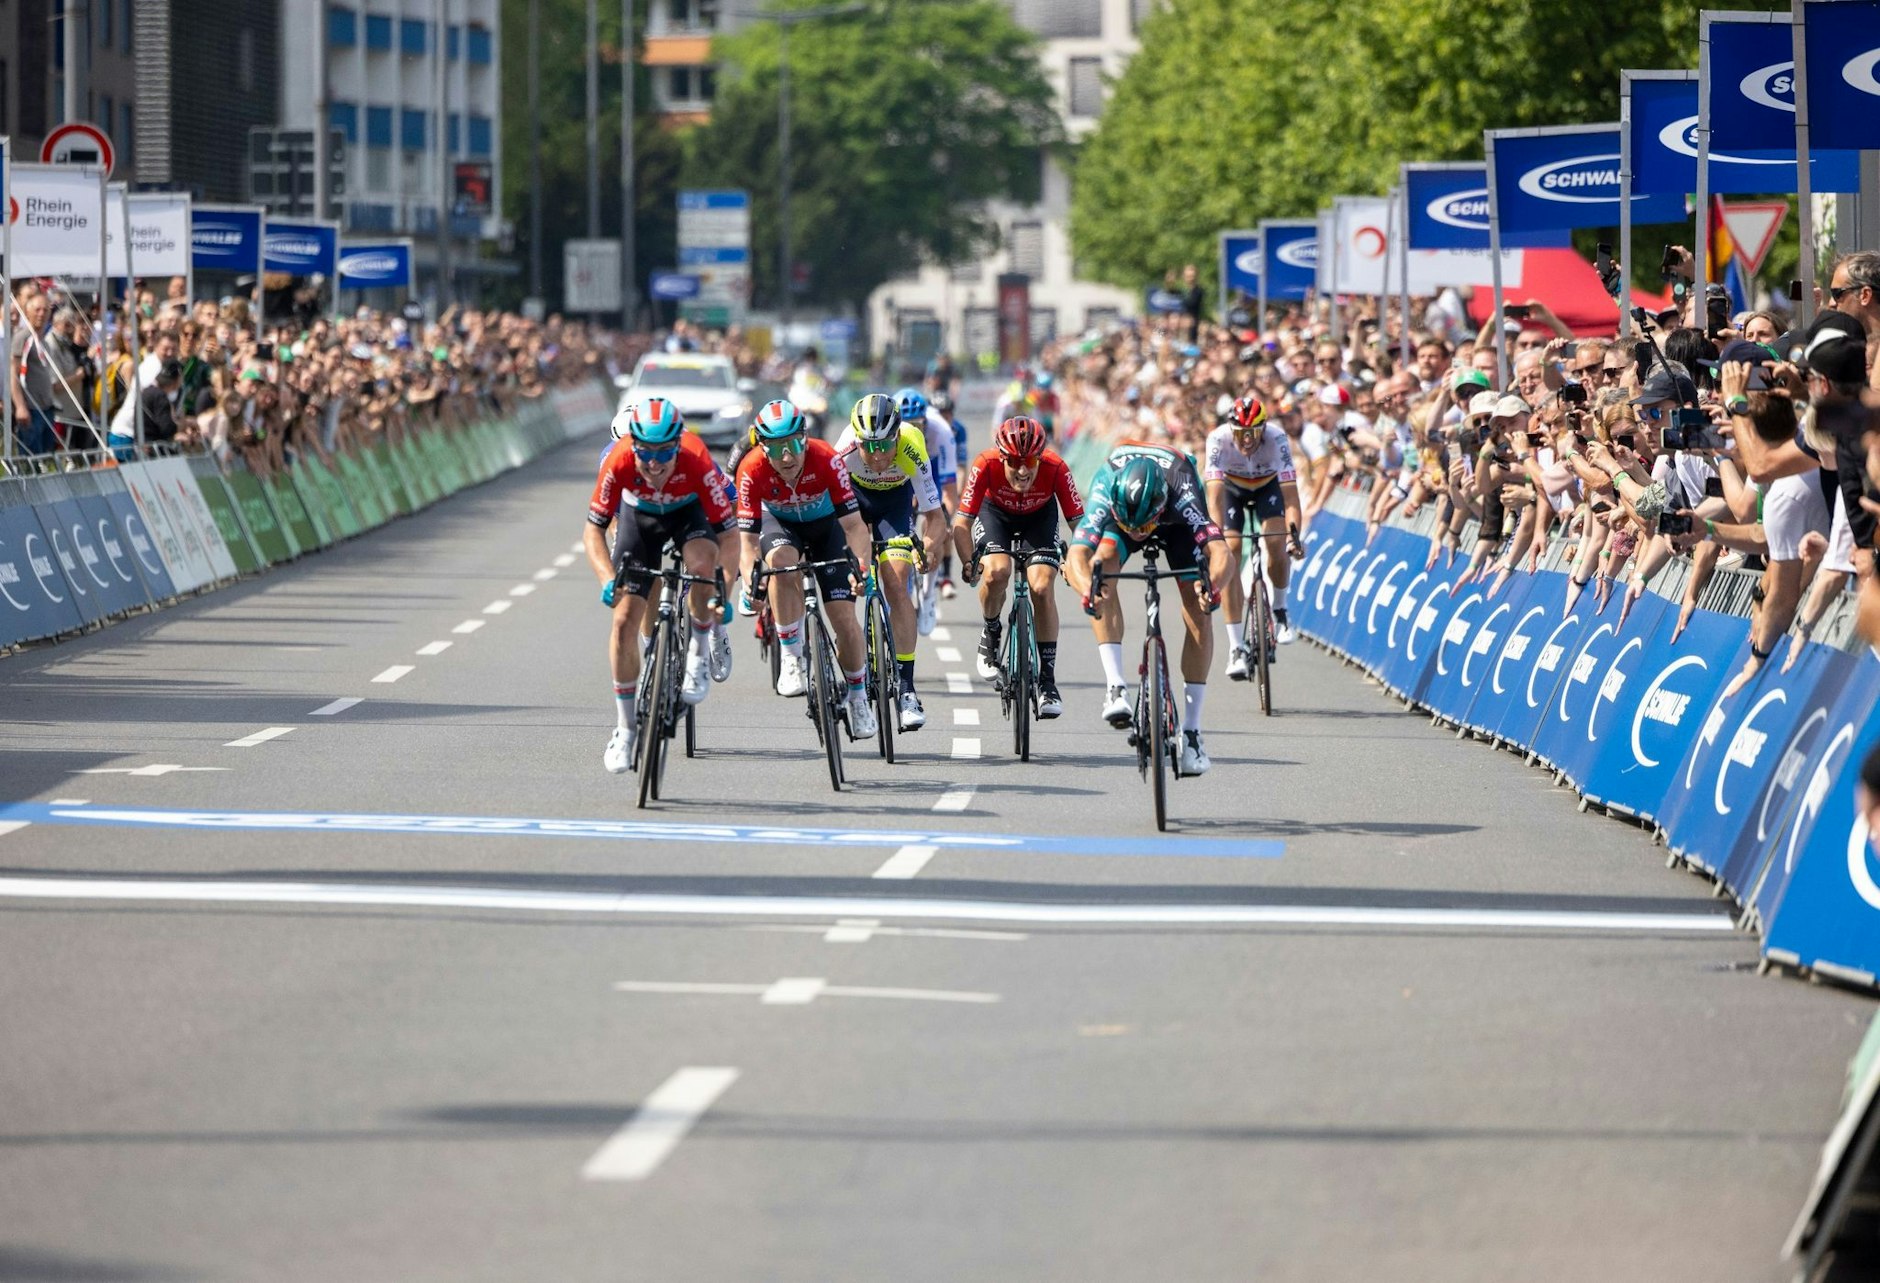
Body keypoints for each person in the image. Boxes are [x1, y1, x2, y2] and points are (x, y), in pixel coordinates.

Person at [584, 398, 739, 775]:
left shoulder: (698, 459)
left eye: (665, 452)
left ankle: (699, 655)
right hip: (641, 518)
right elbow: (594, 531)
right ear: (632, 446)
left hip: (689, 514)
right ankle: (625, 728)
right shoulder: (617, 459)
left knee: (703, 566)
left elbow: (731, 538)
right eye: (645, 453)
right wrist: (608, 579)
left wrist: (724, 590)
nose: (653, 463)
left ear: (679, 443)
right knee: (623, 621)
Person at [1063, 446, 1232, 776]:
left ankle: (1193, 734)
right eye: (1131, 527)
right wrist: (1088, 590)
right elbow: (1076, 556)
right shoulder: (1105, 483)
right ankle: (1115, 687)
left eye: (1142, 527)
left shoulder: (1182, 489)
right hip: (1125, 510)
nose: (1137, 533)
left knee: (1199, 610)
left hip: (1175, 525)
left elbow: (1221, 552)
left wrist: (1212, 586)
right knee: (1101, 569)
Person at [735, 398, 878, 737]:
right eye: (776, 448)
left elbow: (856, 526)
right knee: (781, 566)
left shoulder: (826, 458)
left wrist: (863, 568)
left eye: (794, 444)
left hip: (826, 528)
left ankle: (858, 697)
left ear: (805, 437)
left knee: (844, 618)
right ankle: (791, 655)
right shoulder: (751, 469)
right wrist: (748, 582)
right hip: (779, 526)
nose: (787, 456)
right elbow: (747, 543)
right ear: (762, 447)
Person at [953, 415, 1085, 718]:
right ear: (1002, 457)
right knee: (997, 571)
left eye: (1030, 461)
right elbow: (962, 522)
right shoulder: (984, 464)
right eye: (1013, 462)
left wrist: (1078, 559)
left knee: (1041, 586)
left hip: (1039, 517)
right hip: (994, 514)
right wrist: (968, 561)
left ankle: (1047, 682)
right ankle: (991, 630)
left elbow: (1080, 524)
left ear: (1040, 457)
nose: (1023, 470)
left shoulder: (1057, 468)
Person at [832, 392, 946, 732]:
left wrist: (925, 545)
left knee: (897, 583)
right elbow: (829, 514)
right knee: (849, 583)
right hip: (853, 501)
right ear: (857, 440)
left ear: (898, 435)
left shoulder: (912, 445)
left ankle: (908, 689)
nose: (878, 456)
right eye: (870, 446)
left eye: (885, 445)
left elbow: (935, 517)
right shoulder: (843, 453)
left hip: (895, 505)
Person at [1205, 393, 1307, 678]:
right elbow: (1214, 498)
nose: (1247, 439)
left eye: (1253, 432)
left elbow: (1291, 499)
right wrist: (1216, 544)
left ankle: (1281, 610)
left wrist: (1293, 537)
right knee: (1231, 550)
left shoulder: (1277, 439)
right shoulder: (1217, 439)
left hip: (1267, 488)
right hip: (1232, 491)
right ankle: (1236, 646)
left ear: (1264, 428)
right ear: (1231, 429)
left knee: (1275, 540)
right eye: (1241, 432)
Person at [892, 386, 960, 634]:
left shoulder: (941, 431)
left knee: (937, 524)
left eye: (917, 425)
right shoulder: (888, 434)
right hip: (900, 464)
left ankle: (929, 592)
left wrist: (946, 521)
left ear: (926, 422)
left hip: (930, 463)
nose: (911, 431)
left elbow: (949, 490)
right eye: (905, 425)